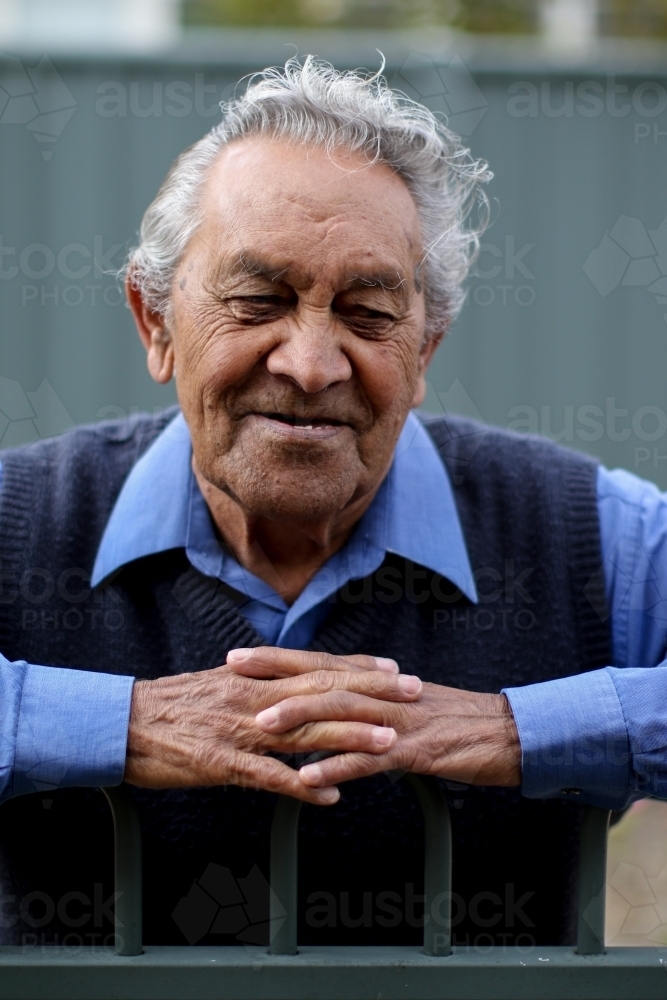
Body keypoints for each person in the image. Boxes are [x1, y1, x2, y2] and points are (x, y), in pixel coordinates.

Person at [1, 56, 666, 950]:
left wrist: (518, 727)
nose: (311, 365)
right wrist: (113, 723)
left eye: (367, 314)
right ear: (154, 322)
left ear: (426, 349)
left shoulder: (593, 535)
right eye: (257, 301)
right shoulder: (20, 520)